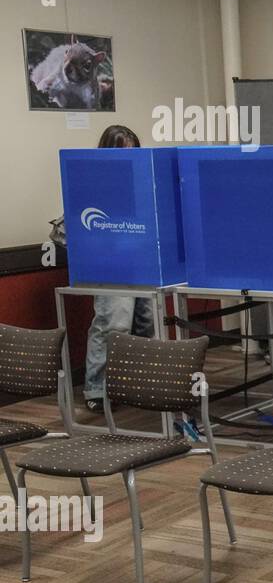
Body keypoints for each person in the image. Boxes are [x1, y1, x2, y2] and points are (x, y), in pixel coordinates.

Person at [83, 125, 154, 413]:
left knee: (147, 324)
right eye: (125, 150)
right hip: (112, 265)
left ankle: (140, 384)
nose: (131, 156)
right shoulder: (94, 182)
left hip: (141, 261)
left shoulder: (142, 181)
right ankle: (97, 389)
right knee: (113, 325)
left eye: (134, 150)